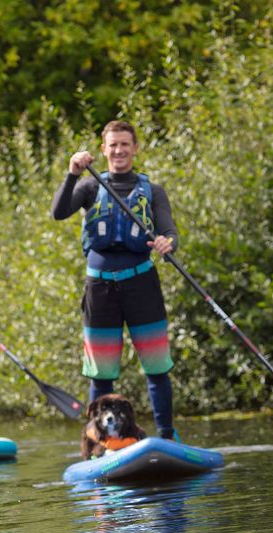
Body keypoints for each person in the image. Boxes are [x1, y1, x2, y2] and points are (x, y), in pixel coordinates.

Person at [50, 120, 179, 440]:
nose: (119, 150)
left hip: (142, 285)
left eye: (125, 144)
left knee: (156, 366)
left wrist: (168, 243)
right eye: (113, 145)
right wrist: (72, 174)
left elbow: (169, 231)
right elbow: (58, 212)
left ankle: (165, 435)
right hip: (100, 288)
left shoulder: (153, 190)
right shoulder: (89, 186)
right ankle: (102, 440)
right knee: (101, 371)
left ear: (135, 148)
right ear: (103, 150)